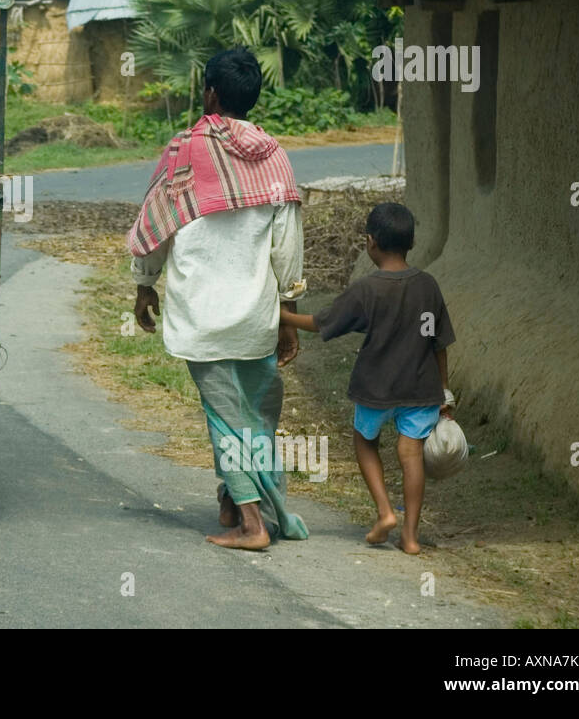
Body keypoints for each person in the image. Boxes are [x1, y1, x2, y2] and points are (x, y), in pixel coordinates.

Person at [129, 47, 308, 551]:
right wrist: (288, 316)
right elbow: (286, 246)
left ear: (209, 94)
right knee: (255, 412)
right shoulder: (274, 155)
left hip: (202, 315)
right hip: (256, 313)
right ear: (253, 96)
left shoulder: (184, 149)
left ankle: (252, 525)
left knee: (225, 416)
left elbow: (155, 222)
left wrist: (145, 282)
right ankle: (244, 503)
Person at [279, 202, 456, 555]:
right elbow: (440, 345)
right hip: (422, 387)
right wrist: (445, 392)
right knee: (411, 453)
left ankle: (385, 512)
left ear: (370, 242)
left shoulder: (367, 289)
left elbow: (321, 323)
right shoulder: (428, 286)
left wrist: (281, 314)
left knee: (365, 441)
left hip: (376, 387)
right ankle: (410, 536)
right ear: (411, 243)